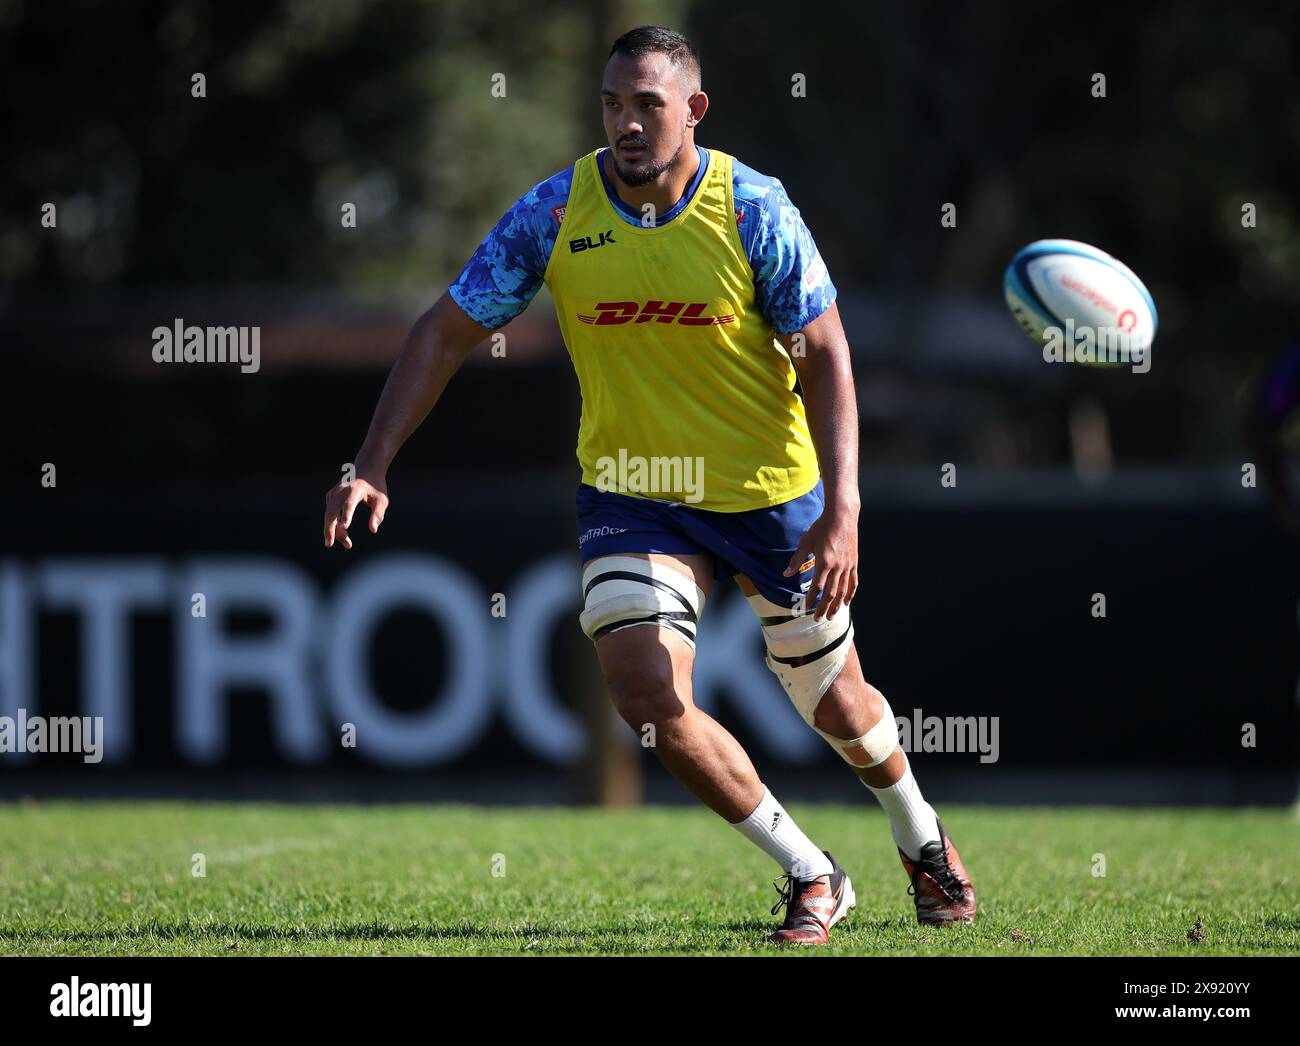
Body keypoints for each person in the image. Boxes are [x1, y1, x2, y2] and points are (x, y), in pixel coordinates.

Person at [323, 25, 975, 945]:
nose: (626, 124)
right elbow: (442, 332)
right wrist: (372, 462)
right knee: (645, 693)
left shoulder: (753, 209)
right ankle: (812, 872)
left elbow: (827, 354)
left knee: (839, 707)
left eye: (647, 105)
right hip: (634, 492)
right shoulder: (555, 214)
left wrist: (844, 509)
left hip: (768, 490)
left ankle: (921, 838)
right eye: (612, 104)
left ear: (693, 111)